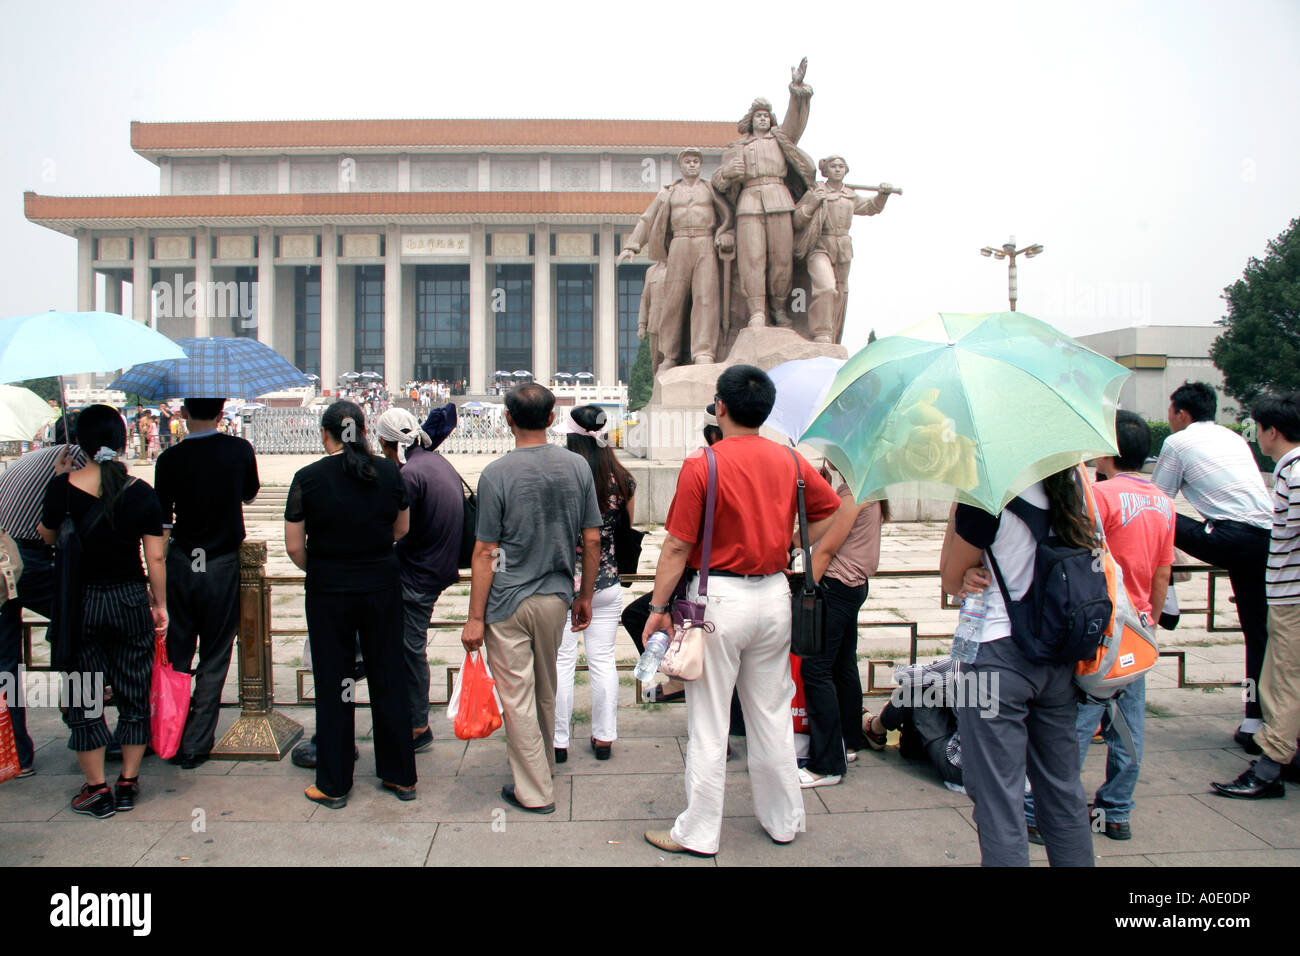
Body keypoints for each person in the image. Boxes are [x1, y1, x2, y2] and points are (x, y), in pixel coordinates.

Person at [641, 365, 850, 856]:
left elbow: (676, 547)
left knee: (710, 721)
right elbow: (834, 508)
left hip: (718, 599)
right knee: (771, 714)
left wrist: (656, 606)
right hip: (775, 596)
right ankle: (784, 820)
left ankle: (698, 832)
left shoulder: (704, 464)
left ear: (721, 407)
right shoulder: (790, 459)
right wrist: (796, 542)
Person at [1023, 412, 1173, 841]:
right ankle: (1118, 810)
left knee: (1075, 722)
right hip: (1137, 628)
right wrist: (1150, 622)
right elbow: (1163, 572)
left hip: (1098, 628)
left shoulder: (1099, 496)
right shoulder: (1164, 502)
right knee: (1128, 724)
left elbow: (1079, 560)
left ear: (1108, 452)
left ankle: (1038, 810)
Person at [939, 467, 1097, 866]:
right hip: (1056, 660)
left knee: (998, 798)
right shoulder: (1069, 487)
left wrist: (958, 505)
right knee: (1062, 792)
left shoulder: (985, 491)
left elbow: (950, 577)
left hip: (994, 658)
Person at [459, 384, 602, 814]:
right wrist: (585, 595)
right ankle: (543, 770)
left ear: (507, 419)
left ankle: (535, 791)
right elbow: (592, 539)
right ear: (553, 417)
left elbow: (486, 552)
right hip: (556, 596)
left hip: (507, 600)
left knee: (519, 695)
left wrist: (474, 617)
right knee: (544, 687)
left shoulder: (496, 474)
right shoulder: (577, 467)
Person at [37, 404, 168, 819]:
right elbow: (156, 558)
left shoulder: (61, 487)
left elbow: (46, 536)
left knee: (84, 694)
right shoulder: (142, 492)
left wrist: (61, 479)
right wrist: (160, 604)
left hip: (80, 604)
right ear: (123, 439)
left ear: (81, 444)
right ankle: (128, 782)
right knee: (133, 693)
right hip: (130, 599)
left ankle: (96, 789)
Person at [284, 401, 416, 808]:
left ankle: (335, 782)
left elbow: (293, 545)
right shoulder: (391, 472)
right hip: (380, 585)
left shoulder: (307, 478)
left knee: (334, 683)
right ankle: (400, 777)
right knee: (388, 677)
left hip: (328, 592)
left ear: (325, 434)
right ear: (362, 431)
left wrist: (325, 567)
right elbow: (402, 527)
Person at [1152, 382, 1272, 750]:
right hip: (1267, 538)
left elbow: (1157, 500)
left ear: (1181, 414)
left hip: (1230, 538)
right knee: (1260, 633)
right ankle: (1255, 721)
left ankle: (1166, 597)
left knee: (1153, 509)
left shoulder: (1177, 442)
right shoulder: (1233, 438)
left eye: (1171, 412)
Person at [153, 397, 260, 769]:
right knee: (215, 653)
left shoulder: (168, 460)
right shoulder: (238, 450)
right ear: (221, 413)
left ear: (183, 414)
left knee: (179, 653)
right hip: (221, 561)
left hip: (183, 560)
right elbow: (250, 493)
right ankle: (196, 744)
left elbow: (162, 519)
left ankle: (171, 732)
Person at [1213, 391, 1300, 798]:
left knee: (1281, 683)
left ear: (1272, 432)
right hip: (1284, 593)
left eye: (1257, 430)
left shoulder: (1292, 472)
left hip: (1293, 601)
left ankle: (1268, 770)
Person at [0, 414, 85, 776]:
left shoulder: (25, 460)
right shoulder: (77, 460)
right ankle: (85, 726)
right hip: (30, 558)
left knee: (4, 662)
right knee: (83, 630)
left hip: (4, 558)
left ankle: (15, 753)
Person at [375, 406, 463, 753]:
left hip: (419, 575)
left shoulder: (410, 474)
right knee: (403, 644)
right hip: (436, 565)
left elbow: (394, 527)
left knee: (410, 649)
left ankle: (417, 725)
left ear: (386, 442)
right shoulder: (433, 461)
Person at [553, 405, 636, 763]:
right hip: (606, 581)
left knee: (561, 661)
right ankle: (604, 739)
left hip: (564, 583)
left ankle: (558, 742)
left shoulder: (560, 474)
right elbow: (624, 529)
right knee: (603, 660)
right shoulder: (621, 477)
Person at [797, 462, 885, 788]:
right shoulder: (859, 487)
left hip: (836, 586)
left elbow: (828, 549)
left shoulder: (855, 493)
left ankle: (827, 764)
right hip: (853, 586)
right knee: (842, 665)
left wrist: (807, 592)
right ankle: (848, 741)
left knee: (815, 670)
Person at [712, 62, 816, 329]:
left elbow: (795, 121)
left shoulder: (781, 140)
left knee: (781, 258)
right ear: (750, 120)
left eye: (766, 115)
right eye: (758, 115)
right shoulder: (739, 147)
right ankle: (757, 311)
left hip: (779, 200)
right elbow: (717, 181)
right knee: (753, 259)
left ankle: (779, 309)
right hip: (749, 204)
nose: (763, 119)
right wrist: (728, 174)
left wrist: (796, 90)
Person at [619, 148, 734, 368]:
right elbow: (647, 219)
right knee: (674, 300)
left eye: (696, 161)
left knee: (705, 298)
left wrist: (727, 234)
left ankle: (703, 352)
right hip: (679, 243)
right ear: (680, 166)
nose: (692, 165)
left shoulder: (710, 190)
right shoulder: (669, 193)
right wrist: (632, 246)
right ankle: (669, 354)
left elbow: (728, 215)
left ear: (701, 166)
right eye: (688, 161)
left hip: (705, 241)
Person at [793, 156, 892, 343]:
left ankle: (834, 332)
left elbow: (870, 207)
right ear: (826, 171)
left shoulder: (849, 195)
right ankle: (821, 331)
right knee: (826, 287)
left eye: (841, 166)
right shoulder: (817, 191)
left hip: (844, 247)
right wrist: (813, 203)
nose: (837, 169)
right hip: (820, 245)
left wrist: (882, 195)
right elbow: (797, 219)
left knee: (840, 291)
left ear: (846, 170)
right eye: (833, 166)